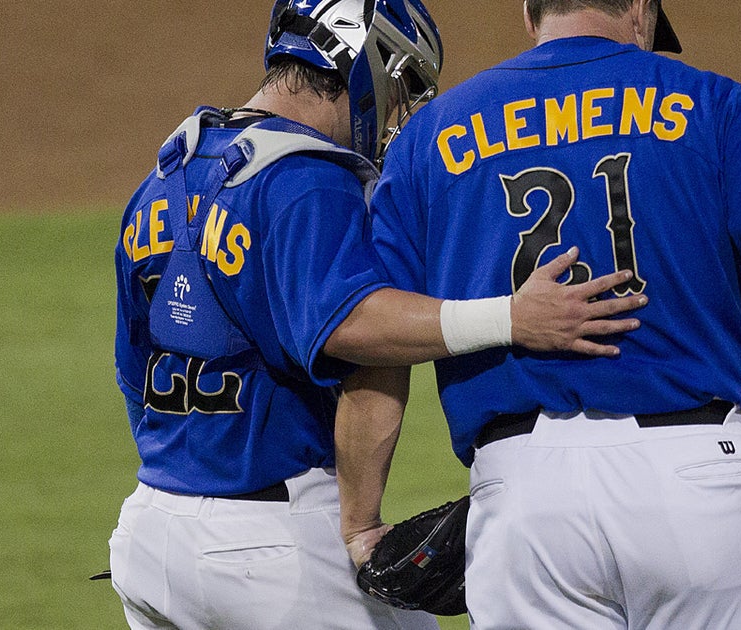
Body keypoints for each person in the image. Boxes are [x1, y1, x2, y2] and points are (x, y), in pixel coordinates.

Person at [106, 1, 645, 628]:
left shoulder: (167, 174)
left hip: (149, 531)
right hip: (272, 540)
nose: (397, 114)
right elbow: (354, 325)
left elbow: (132, 372)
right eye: (403, 86)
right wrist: (510, 318)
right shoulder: (308, 178)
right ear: (369, 62)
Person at [336, 0, 741, 628]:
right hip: (694, 482)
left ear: (531, 13)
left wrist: (361, 520)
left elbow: (375, 335)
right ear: (638, 8)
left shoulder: (431, 135)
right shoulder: (716, 104)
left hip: (524, 498)